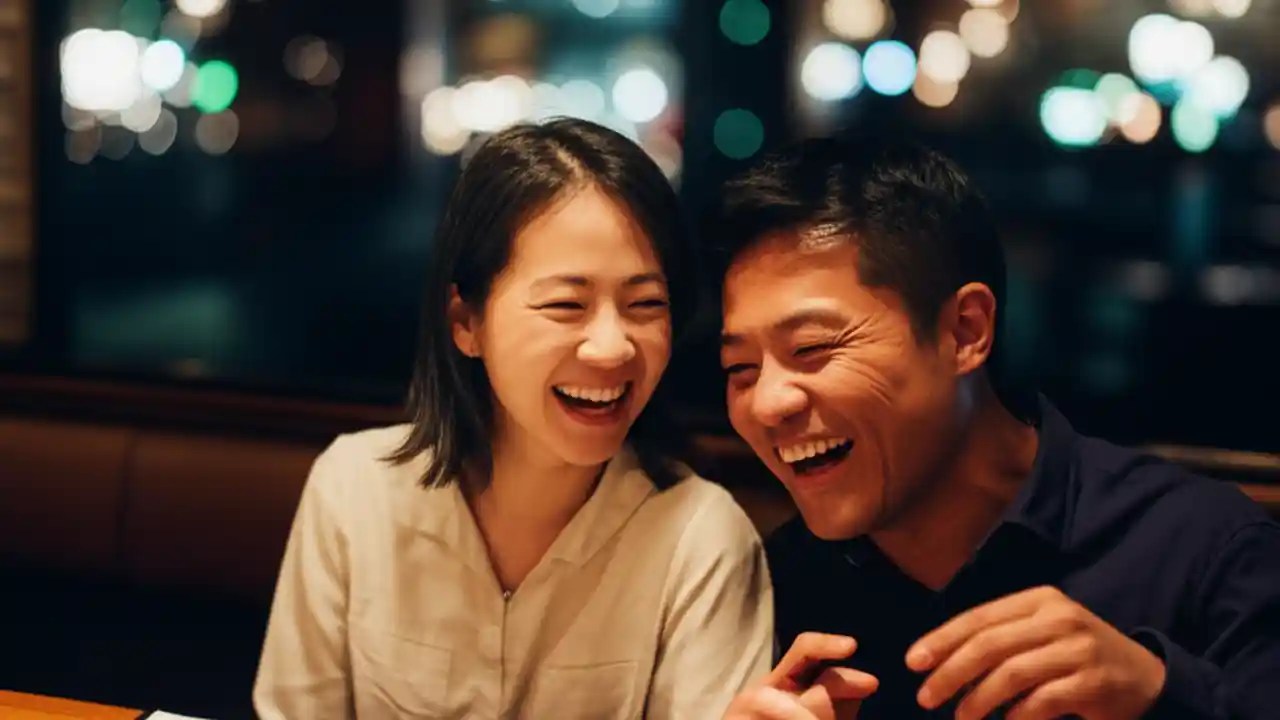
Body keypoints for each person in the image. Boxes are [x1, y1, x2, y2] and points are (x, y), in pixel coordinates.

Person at [716, 138, 1280, 719]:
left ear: (965, 331)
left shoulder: (1199, 549)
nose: (766, 404)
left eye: (811, 347)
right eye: (740, 368)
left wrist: (1156, 693)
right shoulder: (776, 591)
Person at [254, 118, 773, 719]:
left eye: (645, 305)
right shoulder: (354, 491)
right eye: (565, 305)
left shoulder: (700, 539)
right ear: (466, 321)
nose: (613, 347)